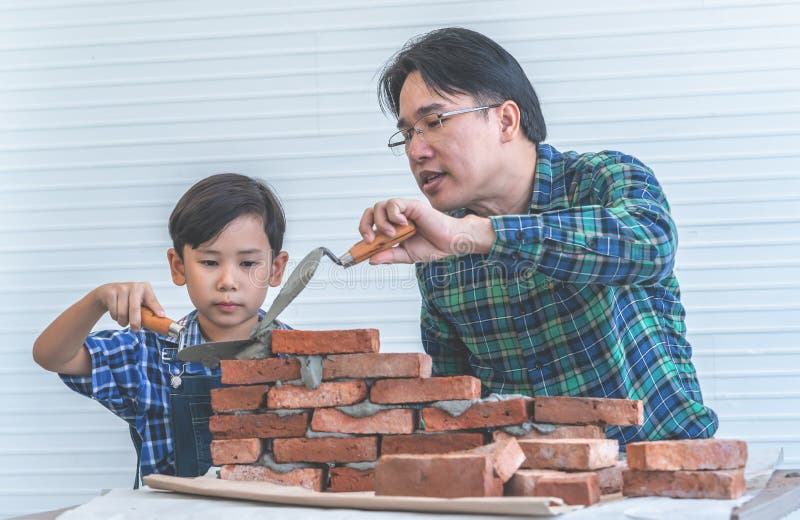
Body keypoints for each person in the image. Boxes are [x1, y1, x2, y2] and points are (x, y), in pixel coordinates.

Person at [360, 27, 718, 445]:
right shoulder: (442, 253)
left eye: (434, 122)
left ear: (505, 120)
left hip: (660, 475)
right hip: (532, 489)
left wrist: (481, 235)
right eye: (406, 134)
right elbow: (457, 403)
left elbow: (652, 244)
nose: (415, 151)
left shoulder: (604, 178)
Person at [33, 173, 289, 483]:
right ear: (178, 266)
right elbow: (52, 356)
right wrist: (98, 300)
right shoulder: (146, 355)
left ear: (275, 269)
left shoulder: (301, 360)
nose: (228, 282)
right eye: (209, 262)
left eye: (248, 264)